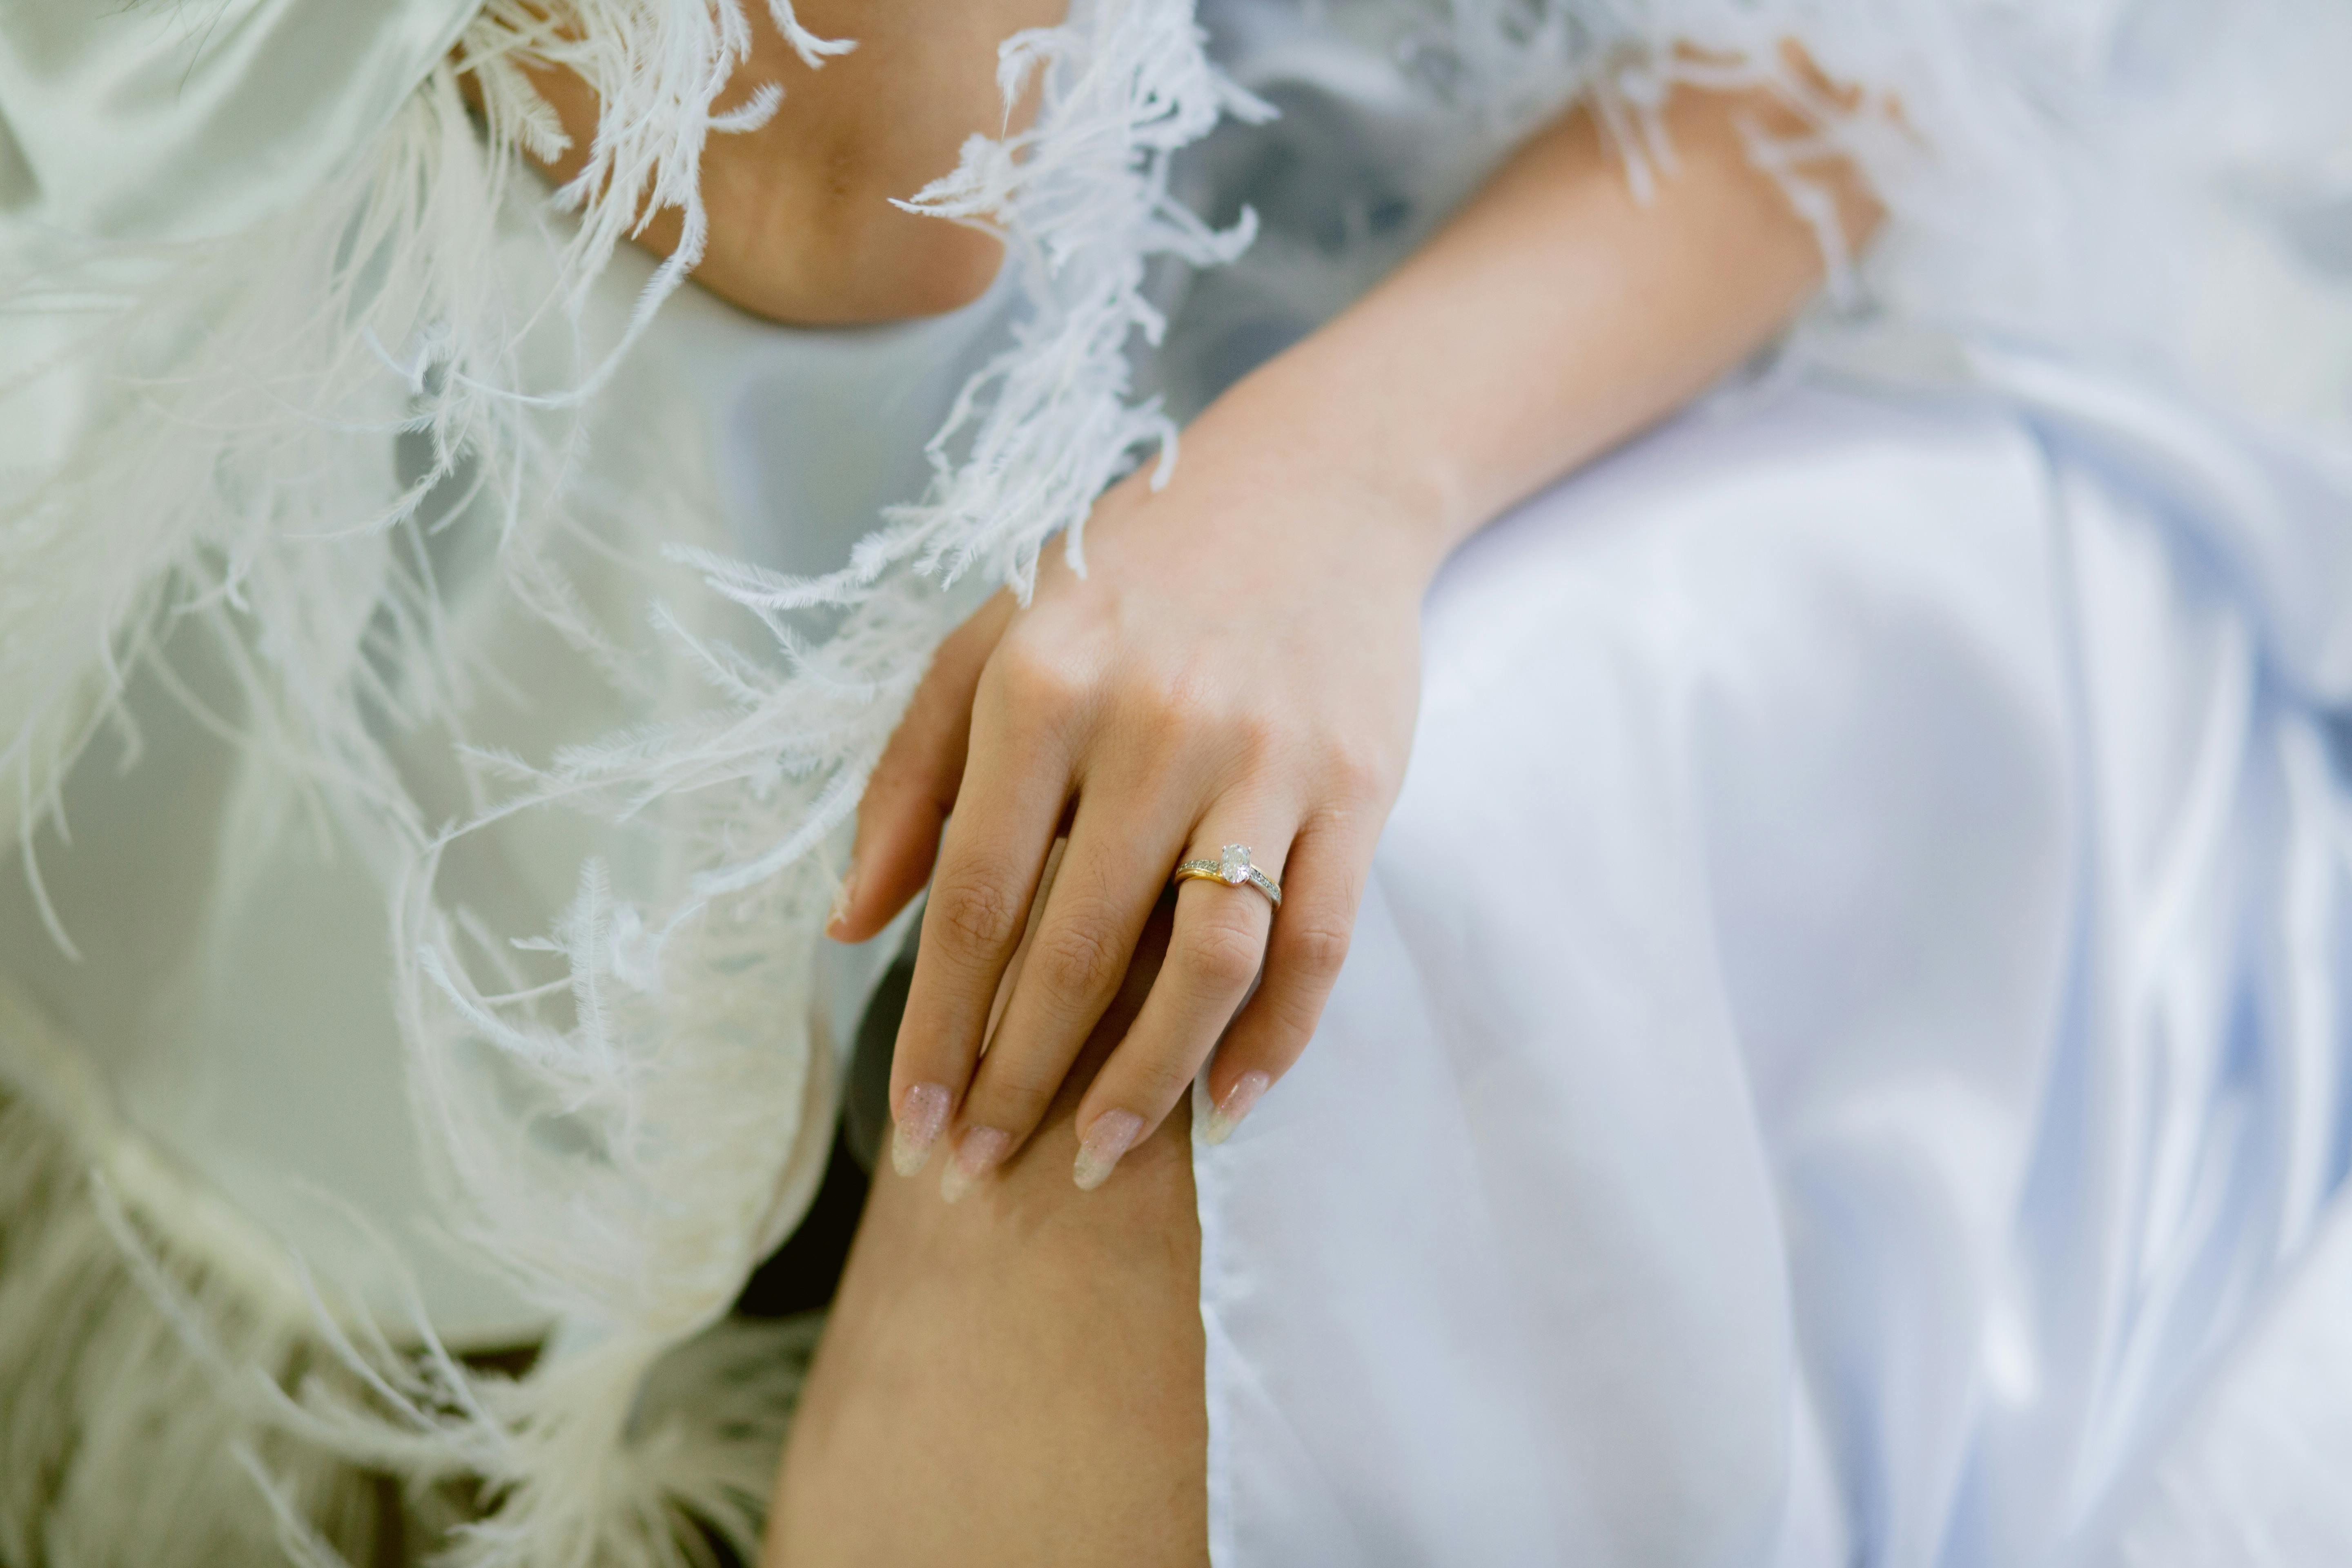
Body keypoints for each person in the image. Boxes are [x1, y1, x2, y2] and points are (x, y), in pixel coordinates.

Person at [3, 2, 2350, 1566]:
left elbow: (1890, 57)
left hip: (1611, 257)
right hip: (591, 495)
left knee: (1230, 970)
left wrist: (1340, 478)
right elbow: (855, 179)